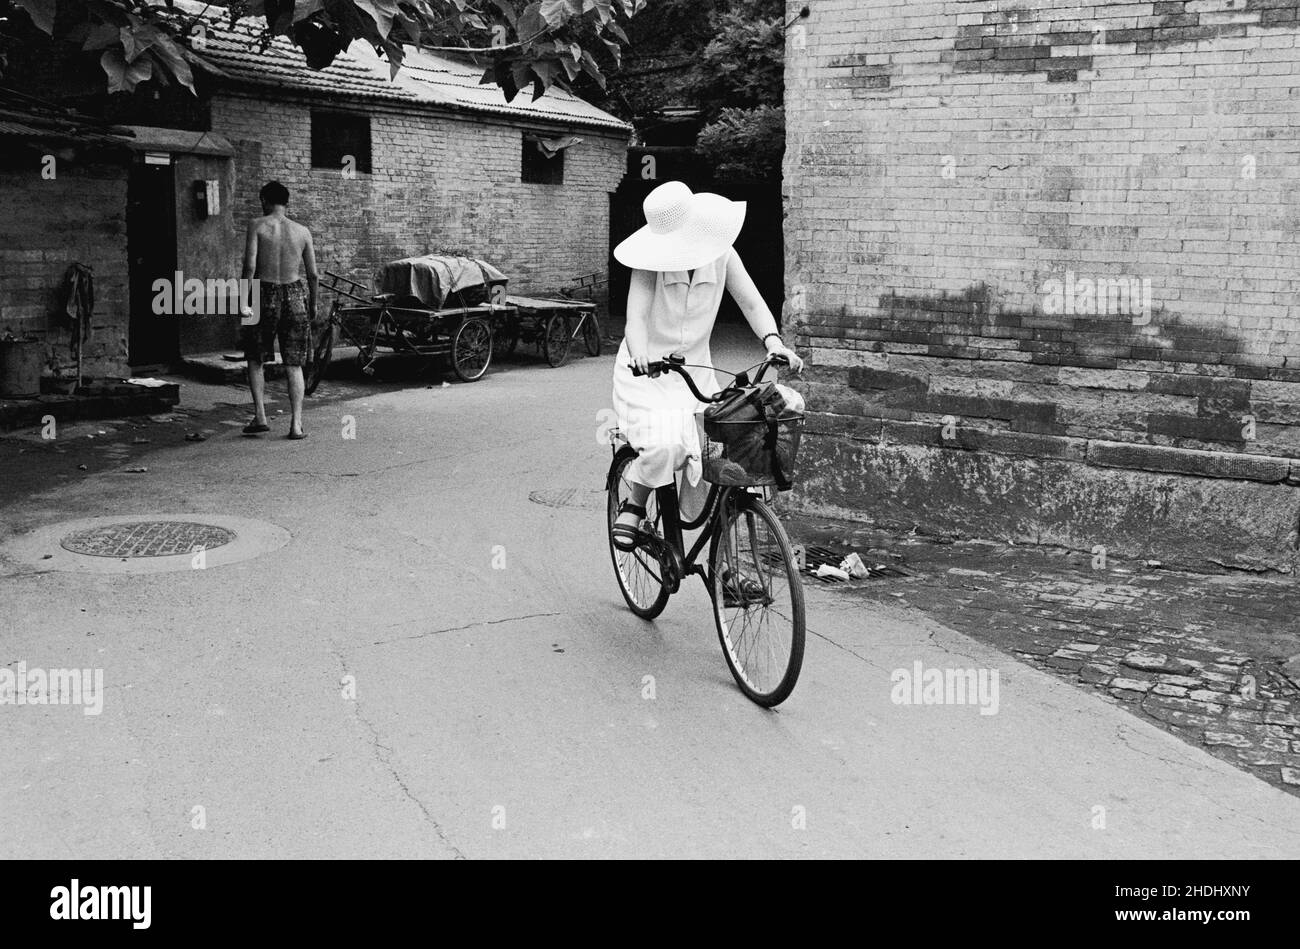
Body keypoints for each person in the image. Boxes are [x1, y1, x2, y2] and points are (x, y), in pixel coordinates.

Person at [610, 180, 804, 551]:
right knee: (666, 444)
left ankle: (724, 568)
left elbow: (751, 302)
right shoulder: (649, 264)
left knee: (725, 455)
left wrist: (773, 342)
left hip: (695, 373)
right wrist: (639, 353)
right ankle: (635, 503)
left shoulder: (722, 254)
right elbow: (635, 319)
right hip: (647, 374)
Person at [240, 180, 317, 440]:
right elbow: (313, 274)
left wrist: (244, 300)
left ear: (264, 200)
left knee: (255, 357)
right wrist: (314, 303)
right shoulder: (303, 231)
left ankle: (260, 416)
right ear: (287, 202)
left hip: (263, 292)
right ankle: (296, 424)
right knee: (294, 363)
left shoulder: (257, 225)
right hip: (295, 294)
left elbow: (250, 267)